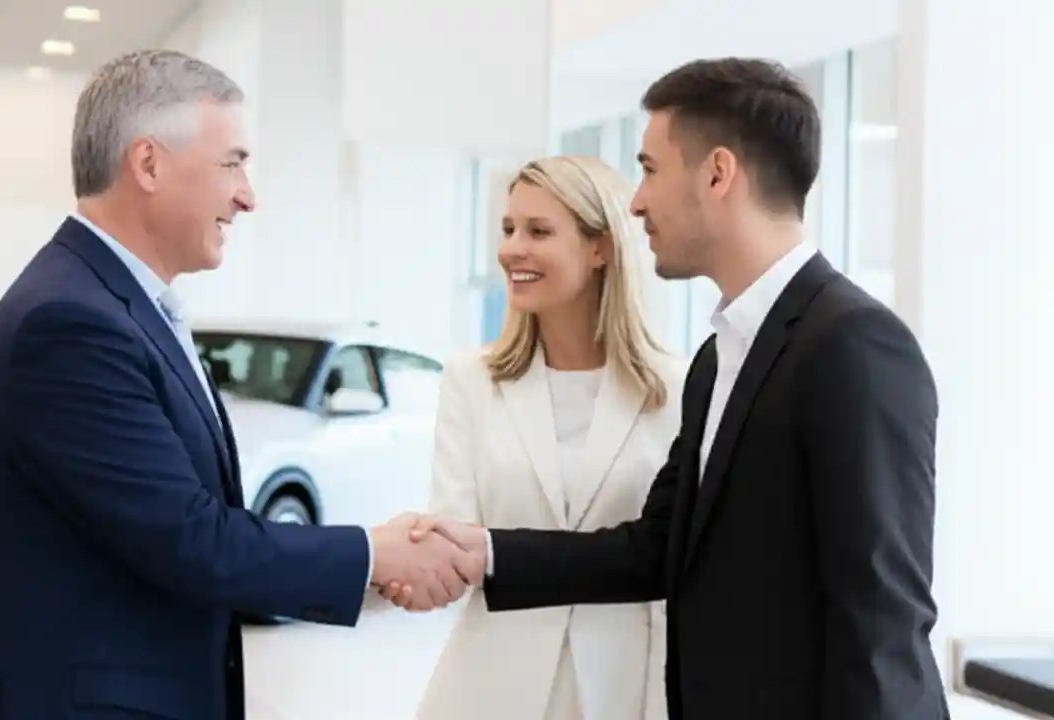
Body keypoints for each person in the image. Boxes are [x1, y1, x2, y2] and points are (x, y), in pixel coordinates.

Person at [392, 58, 948, 719]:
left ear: (717, 174)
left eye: (650, 169)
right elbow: (655, 549)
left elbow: (882, 620)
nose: (635, 201)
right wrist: (485, 549)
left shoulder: (852, 343)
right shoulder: (720, 358)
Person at [0, 50, 476, 720]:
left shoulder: (118, 305)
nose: (248, 195)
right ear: (148, 164)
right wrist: (374, 554)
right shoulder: (71, 322)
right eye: (233, 162)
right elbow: (191, 540)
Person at [415, 156, 682, 720]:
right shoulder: (471, 380)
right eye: (509, 229)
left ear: (600, 248)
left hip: (626, 689)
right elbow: (451, 534)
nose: (513, 249)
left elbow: (673, 556)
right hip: (493, 685)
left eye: (539, 231)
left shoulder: (677, 389)